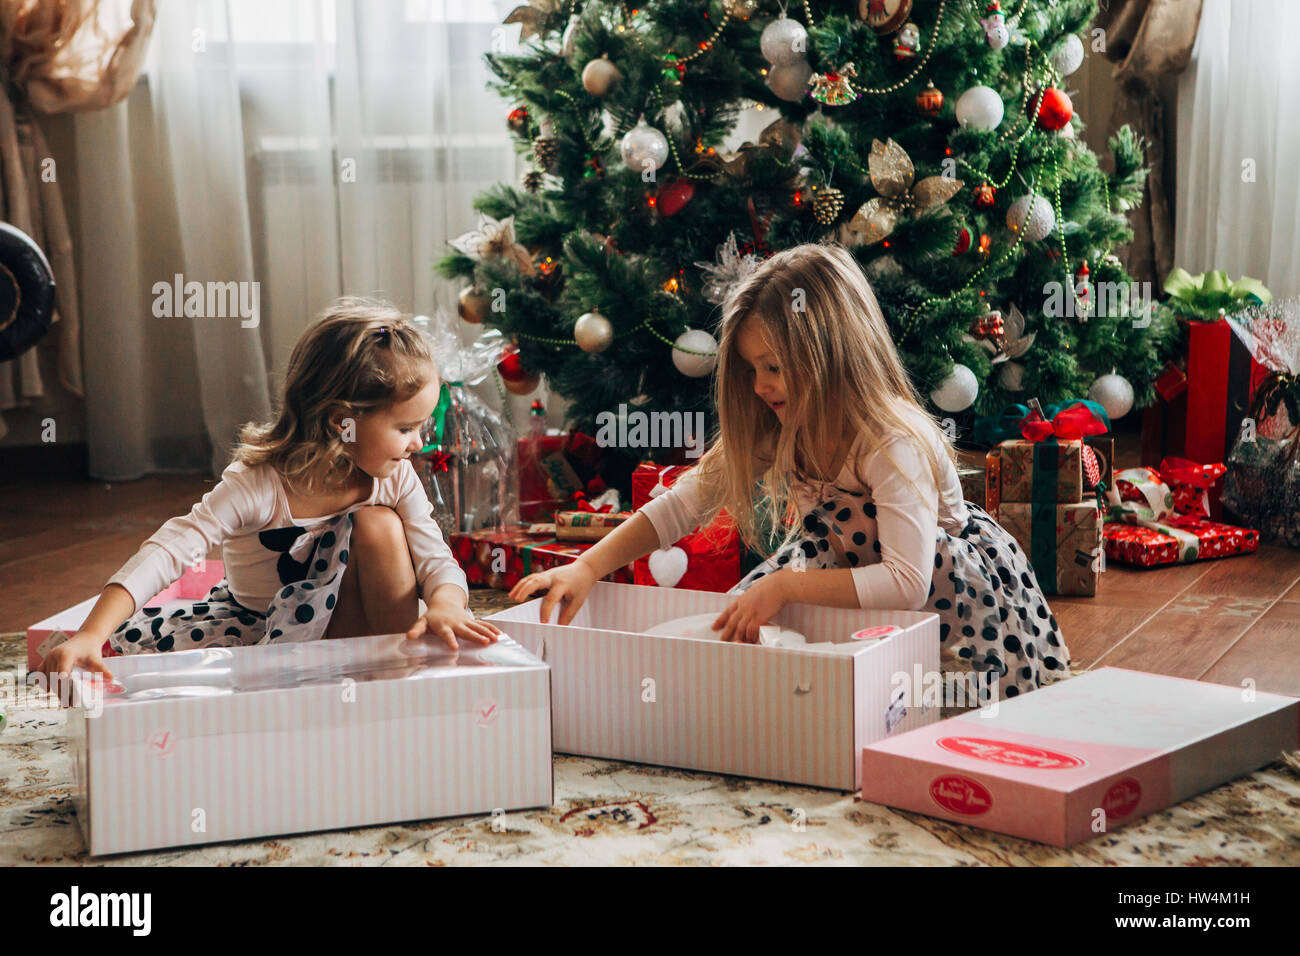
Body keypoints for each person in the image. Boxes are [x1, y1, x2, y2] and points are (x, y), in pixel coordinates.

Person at [510, 242, 1069, 700]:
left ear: (832, 353)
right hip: (833, 578)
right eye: (753, 368)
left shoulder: (889, 440)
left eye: (774, 367)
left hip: (943, 601)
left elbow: (907, 580)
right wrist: (587, 567)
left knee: (931, 711)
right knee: (739, 641)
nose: (759, 386)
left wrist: (782, 584)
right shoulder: (781, 421)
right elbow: (684, 503)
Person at [40, 298, 500, 681]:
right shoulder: (259, 483)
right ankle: (353, 688)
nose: (419, 443)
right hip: (265, 640)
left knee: (379, 523)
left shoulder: (392, 475)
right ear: (342, 420)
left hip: (358, 632)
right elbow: (170, 549)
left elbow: (434, 556)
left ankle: (400, 676)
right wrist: (91, 633)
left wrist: (445, 604)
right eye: (405, 428)